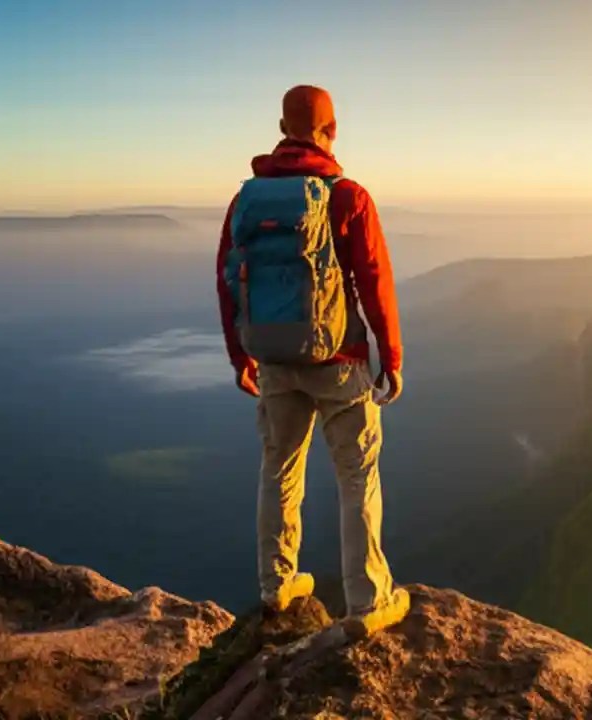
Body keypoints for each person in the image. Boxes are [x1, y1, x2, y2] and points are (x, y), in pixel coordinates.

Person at [216, 85, 409, 633]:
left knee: (279, 468)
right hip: (340, 361)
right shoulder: (347, 197)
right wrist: (391, 356)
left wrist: (240, 355)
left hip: (274, 359)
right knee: (357, 477)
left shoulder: (246, 201)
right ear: (333, 130)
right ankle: (368, 602)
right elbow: (375, 281)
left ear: (283, 129)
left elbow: (228, 280)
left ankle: (276, 585)